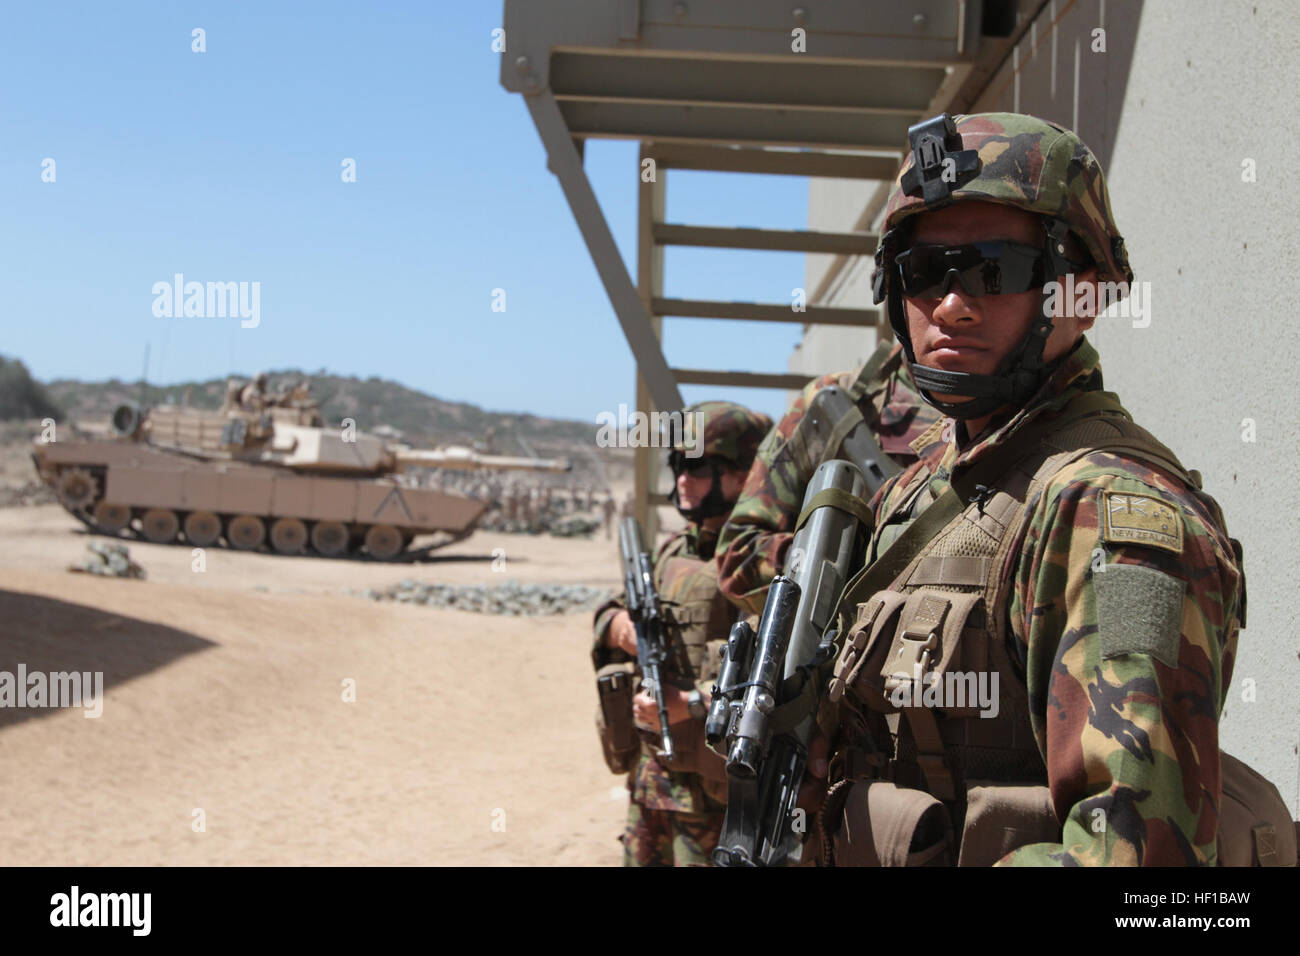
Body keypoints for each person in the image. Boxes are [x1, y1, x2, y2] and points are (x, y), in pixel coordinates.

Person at [809, 112, 1243, 867]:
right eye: (922, 272)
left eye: (993, 271)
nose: (950, 305)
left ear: (1081, 291)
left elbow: (1137, 858)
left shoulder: (1107, 517)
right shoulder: (921, 490)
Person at [590, 401, 773, 866]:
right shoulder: (674, 549)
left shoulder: (763, 563)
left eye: (696, 466)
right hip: (652, 784)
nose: (682, 479)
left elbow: (780, 677)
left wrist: (691, 702)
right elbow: (610, 611)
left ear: (743, 474)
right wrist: (620, 628)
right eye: (677, 466)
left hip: (718, 799)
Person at [716, 340, 941, 618]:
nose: (952, 305)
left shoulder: (1007, 410)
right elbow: (738, 560)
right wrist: (840, 557)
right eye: (924, 293)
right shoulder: (839, 402)